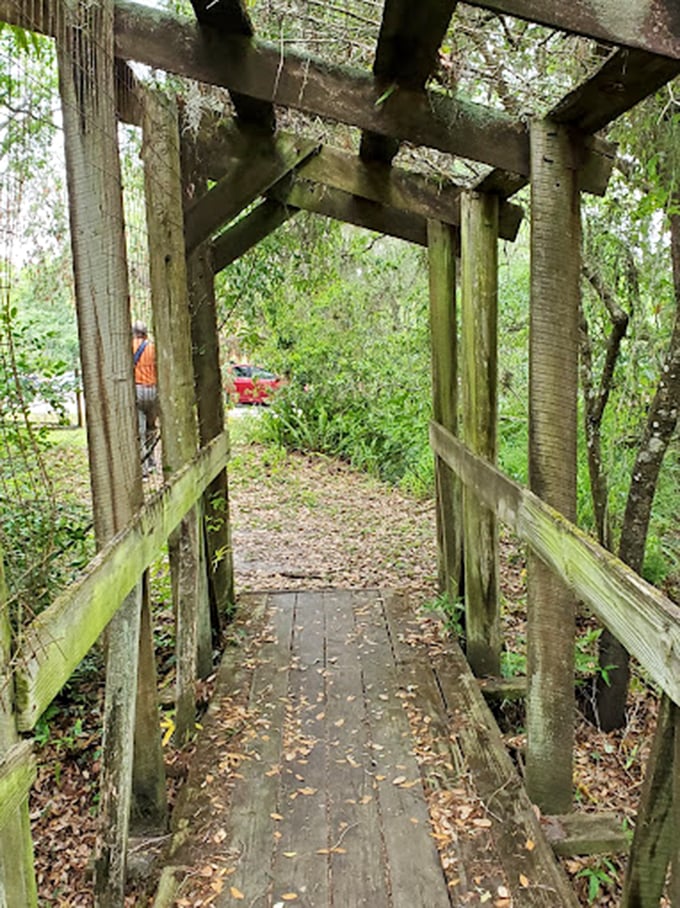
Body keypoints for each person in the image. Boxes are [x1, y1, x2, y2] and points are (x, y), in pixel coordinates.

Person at [132, 320, 159, 476]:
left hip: (137, 390)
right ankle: (152, 462)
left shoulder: (128, 346)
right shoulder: (153, 348)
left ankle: (143, 467)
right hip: (153, 391)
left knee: (139, 431)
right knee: (151, 428)